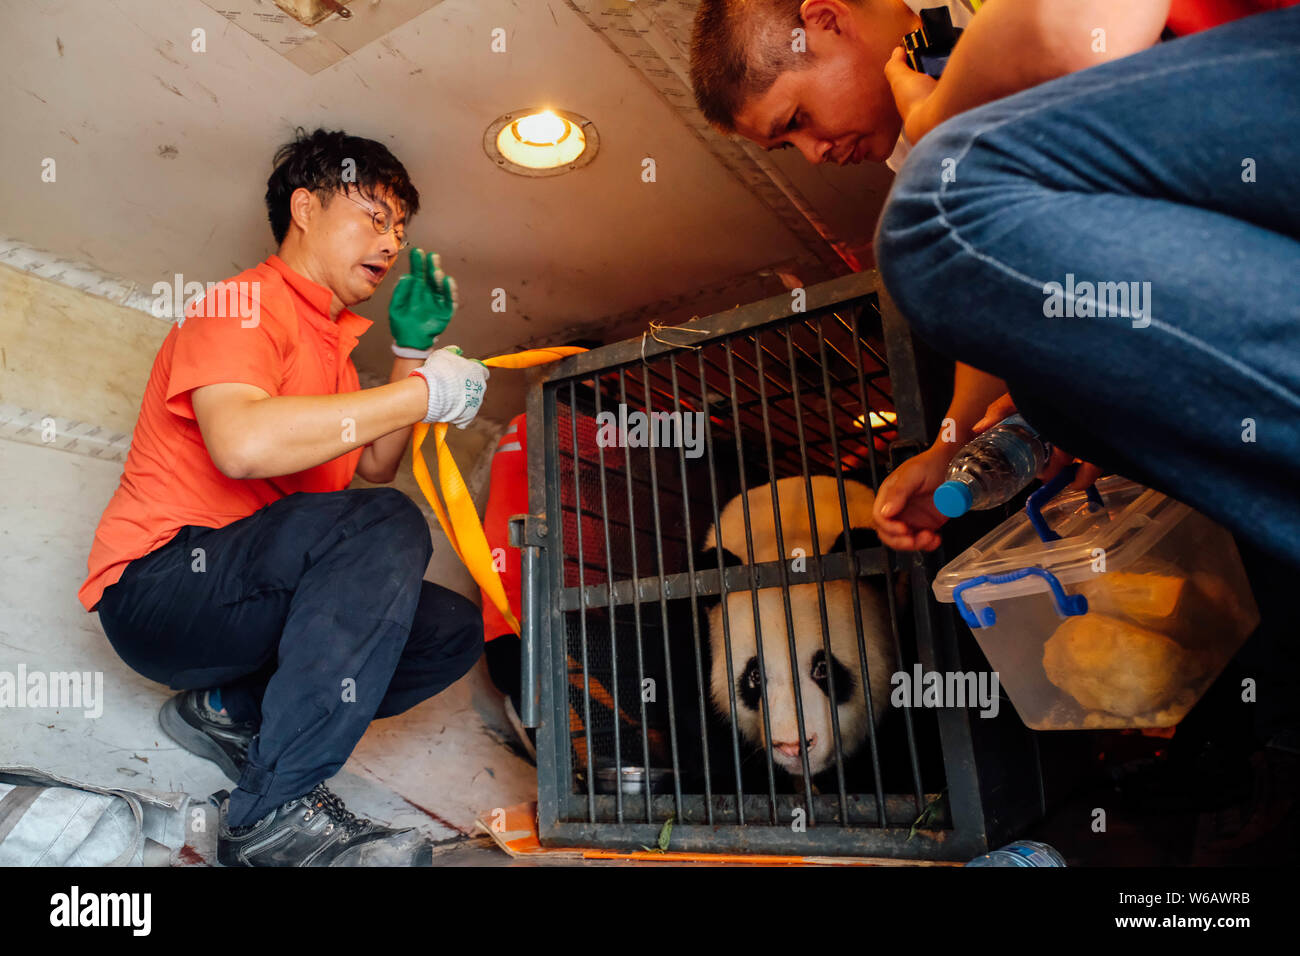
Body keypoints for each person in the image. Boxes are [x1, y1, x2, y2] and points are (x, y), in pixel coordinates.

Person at [690, 0, 1300, 856]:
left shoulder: (946, 58)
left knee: (920, 228)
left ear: (823, 20)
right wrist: (950, 444)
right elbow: (991, 326)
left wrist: (938, 123)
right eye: (787, 147)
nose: (815, 153)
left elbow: (1077, 25)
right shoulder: (932, 149)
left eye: (795, 120)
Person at [79, 128, 491, 866]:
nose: (391, 243)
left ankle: (227, 711)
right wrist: (425, 393)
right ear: (305, 207)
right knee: (383, 524)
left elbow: (375, 466)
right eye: (375, 217)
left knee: (450, 629)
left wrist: (409, 357)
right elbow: (242, 444)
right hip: (161, 588)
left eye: (400, 231)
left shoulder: (336, 354)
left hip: (246, 606)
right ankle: (272, 814)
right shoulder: (245, 304)